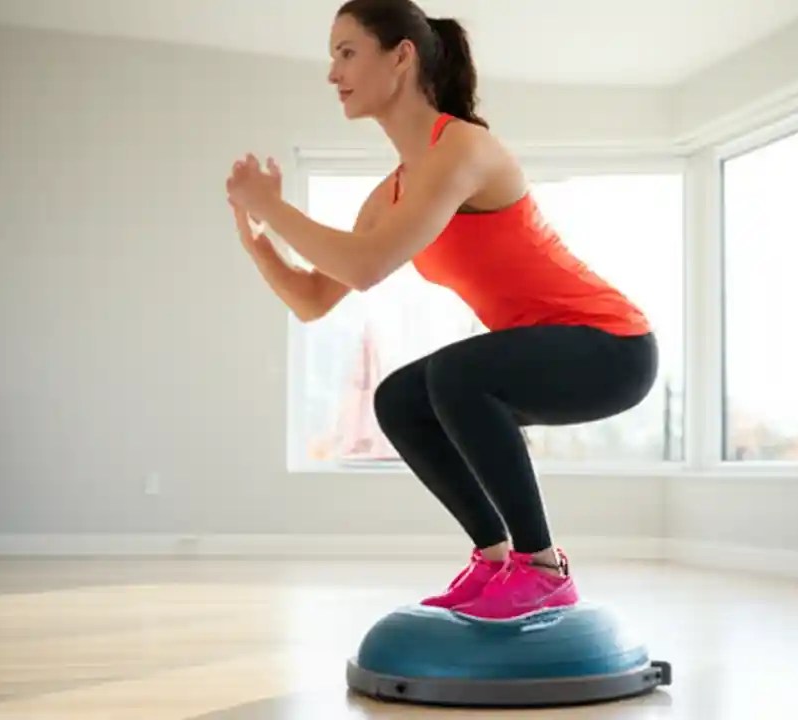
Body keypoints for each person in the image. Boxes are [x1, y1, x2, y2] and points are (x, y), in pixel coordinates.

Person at [225, 0, 657, 621]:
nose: (332, 73)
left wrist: (274, 206)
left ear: (401, 57)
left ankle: (543, 569)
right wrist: (256, 236)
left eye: (347, 52)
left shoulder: (462, 149)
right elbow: (314, 298)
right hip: (550, 352)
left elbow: (366, 265)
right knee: (400, 398)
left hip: (612, 346)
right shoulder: (394, 190)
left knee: (455, 374)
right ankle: (495, 557)